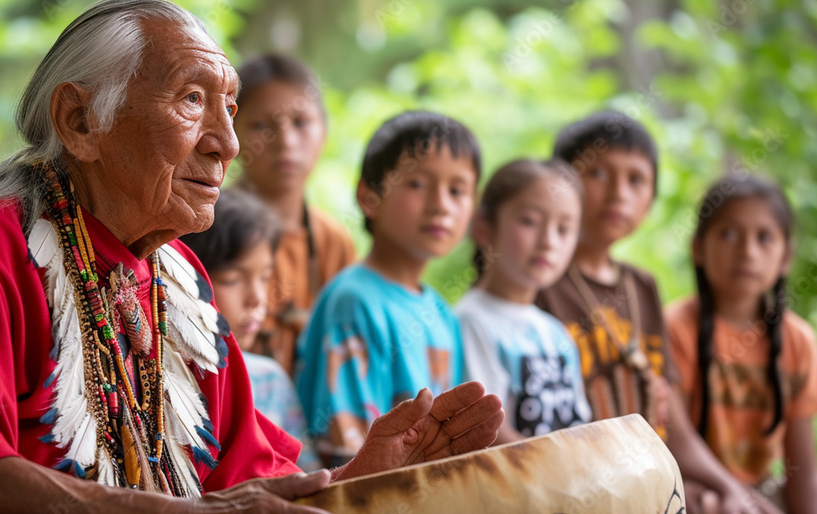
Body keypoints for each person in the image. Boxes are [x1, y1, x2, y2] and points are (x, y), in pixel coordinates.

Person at [0, 3, 503, 514]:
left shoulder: (177, 279)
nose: (229, 143)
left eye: (230, 107)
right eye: (191, 99)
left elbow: (247, 485)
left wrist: (361, 484)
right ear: (79, 122)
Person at [535, 110, 777, 514]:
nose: (618, 193)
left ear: (650, 199)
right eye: (599, 173)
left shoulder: (641, 287)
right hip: (582, 496)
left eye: (636, 180)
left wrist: (734, 491)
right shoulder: (538, 281)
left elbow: (674, 426)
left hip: (652, 476)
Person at [296, 111, 488, 467]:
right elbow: (345, 451)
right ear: (369, 196)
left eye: (457, 190)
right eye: (417, 184)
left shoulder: (441, 312)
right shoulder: (353, 300)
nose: (441, 205)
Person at [666, 175, 817, 514]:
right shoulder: (674, 328)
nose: (747, 252)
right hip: (696, 490)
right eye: (728, 234)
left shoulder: (797, 340)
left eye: (764, 238)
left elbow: (803, 471)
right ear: (698, 248)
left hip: (763, 491)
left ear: (786, 255)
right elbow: (673, 443)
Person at [232, 53, 356, 375]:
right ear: (229, 131)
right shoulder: (205, 228)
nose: (285, 141)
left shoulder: (334, 242)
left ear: (324, 131)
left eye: (301, 122)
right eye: (261, 125)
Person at [180, 189, 321, 471]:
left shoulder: (270, 380)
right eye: (233, 279)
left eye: (265, 277)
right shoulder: (167, 383)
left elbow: (307, 476)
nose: (257, 298)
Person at [456, 158, 591, 444]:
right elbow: (485, 429)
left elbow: (579, 425)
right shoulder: (470, 321)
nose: (548, 241)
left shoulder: (555, 331)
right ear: (484, 229)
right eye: (530, 221)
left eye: (564, 229)